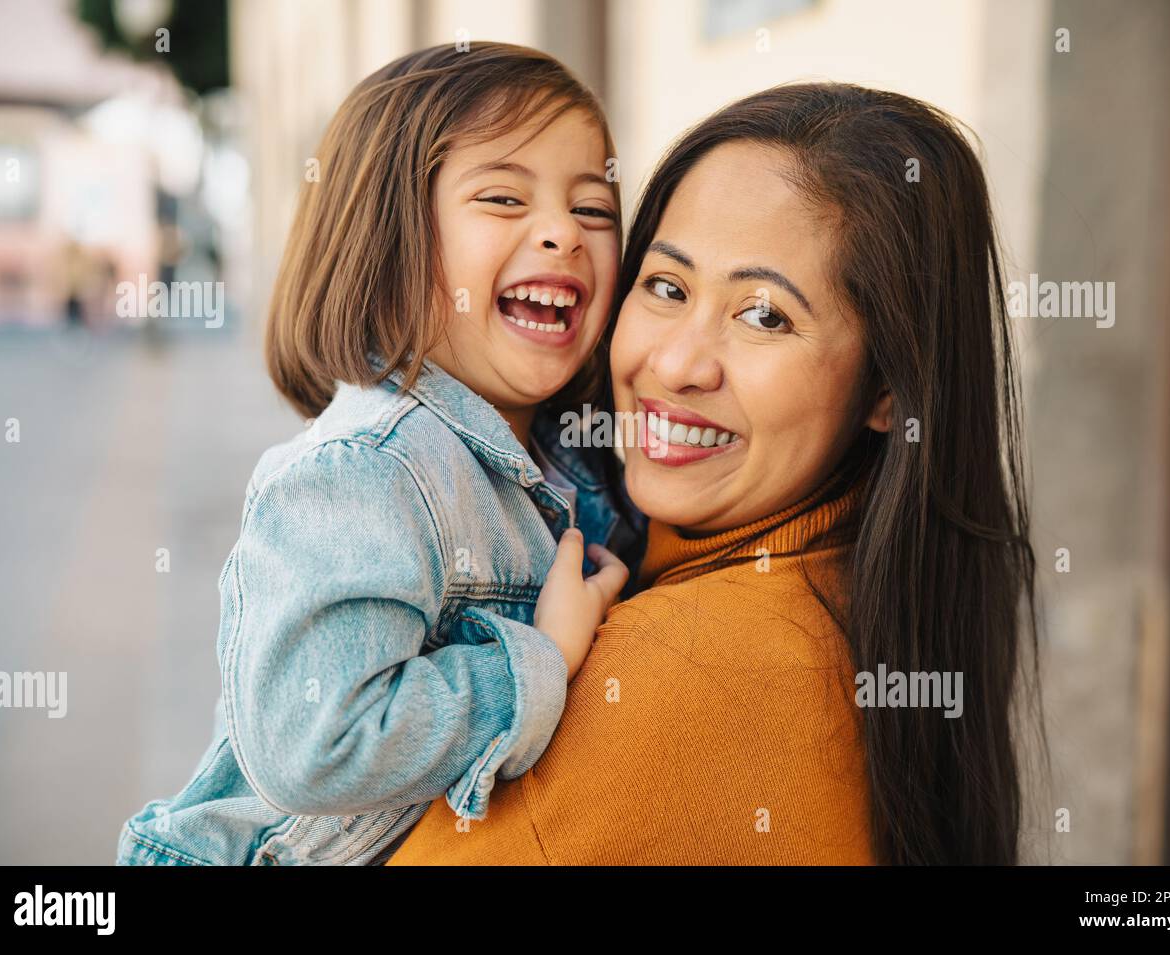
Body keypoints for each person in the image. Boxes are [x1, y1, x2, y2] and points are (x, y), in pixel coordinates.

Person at [388, 82, 1042, 865]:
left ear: (886, 388)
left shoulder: (679, 671)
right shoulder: (881, 599)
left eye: (765, 315)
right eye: (666, 287)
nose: (675, 363)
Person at [117, 42, 635, 866]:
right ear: (386, 242)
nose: (563, 234)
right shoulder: (367, 469)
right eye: (503, 197)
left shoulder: (575, 457)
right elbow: (313, 740)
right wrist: (542, 661)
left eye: (595, 209)